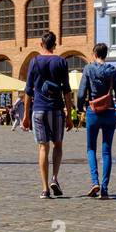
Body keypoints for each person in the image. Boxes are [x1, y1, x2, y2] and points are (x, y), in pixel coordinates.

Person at [23, 31, 73, 198]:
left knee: (43, 147)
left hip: (38, 109)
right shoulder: (61, 62)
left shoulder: (34, 61)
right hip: (56, 109)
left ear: (41, 44)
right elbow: (67, 91)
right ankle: (55, 178)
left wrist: (25, 115)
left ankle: (45, 189)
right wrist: (69, 115)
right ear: (55, 45)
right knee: (57, 145)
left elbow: (28, 91)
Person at [76, 43, 116, 199]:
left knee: (91, 148)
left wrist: (80, 108)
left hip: (93, 111)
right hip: (109, 112)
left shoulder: (88, 69)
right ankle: (105, 188)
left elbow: (80, 94)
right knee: (106, 151)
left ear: (94, 54)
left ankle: (95, 182)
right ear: (106, 54)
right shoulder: (113, 71)